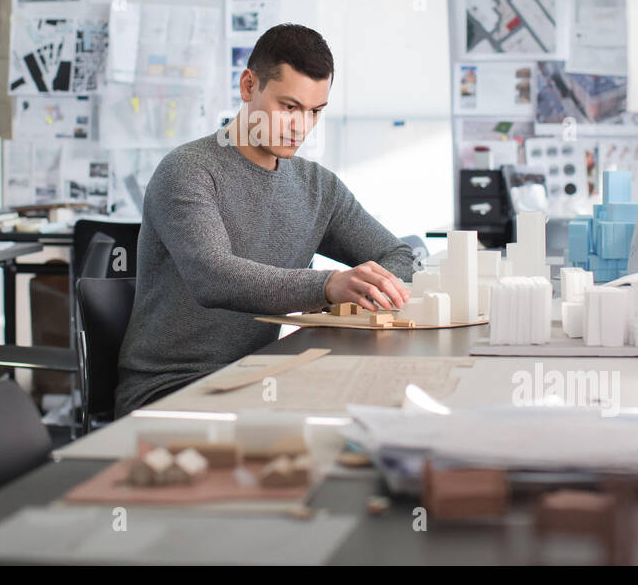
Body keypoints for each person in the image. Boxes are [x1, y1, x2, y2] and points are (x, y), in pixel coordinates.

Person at [114, 24, 414, 416]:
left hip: (258, 378)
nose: (301, 127)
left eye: (315, 112)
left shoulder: (316, 186)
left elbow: (398, 255)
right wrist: (329, 286)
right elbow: (213, 277)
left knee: (379, 403)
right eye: (289, 107)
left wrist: (365, 294)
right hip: (173, 388)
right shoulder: (187, 171)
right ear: (248, 85)